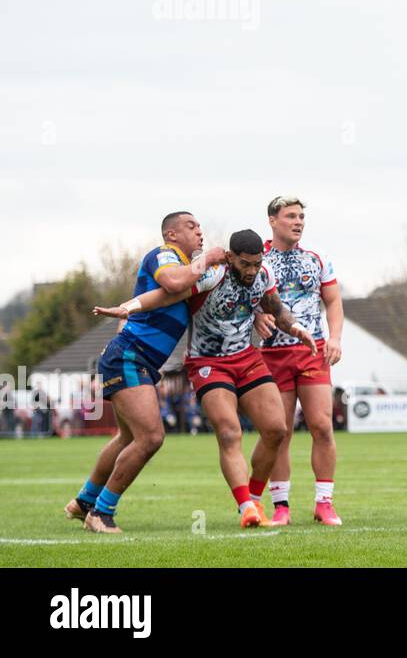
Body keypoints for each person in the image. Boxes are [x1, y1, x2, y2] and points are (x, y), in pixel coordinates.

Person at [94, 229, 317, 528]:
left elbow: (275, 308)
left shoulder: (263, 275)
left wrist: (297, 329)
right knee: (229, 432)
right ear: (231, 257)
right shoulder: (213, 274)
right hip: (208, 362)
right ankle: (246, 508)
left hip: (247, 359)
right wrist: (128, 308)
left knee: (277, 429)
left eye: (256, 263)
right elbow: (165, 295)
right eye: (245, 264)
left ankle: (253, 499)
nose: (251, 271)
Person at [67, 211, 225, 533]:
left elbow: (144, 302)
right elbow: (172, 281)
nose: (200, 232)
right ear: (171, 234)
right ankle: (100, 513)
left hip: (134, 359)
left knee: (127, 437)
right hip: (130, 356)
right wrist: (208, 258)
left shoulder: (190, 273)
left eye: (200, 228)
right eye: (191, 227)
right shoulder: (164, 256)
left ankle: (84, 501)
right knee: (151, 437)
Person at [252, 195, 345, 527]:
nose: (298, 222)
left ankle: (324, 503)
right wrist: (255, 320)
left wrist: (334, 338)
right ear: (273, 220)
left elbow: (333, 302)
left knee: (322, 425)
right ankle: (281, 505)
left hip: (312, 351)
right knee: (281, 431)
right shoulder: (256, 261)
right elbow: (241, 303)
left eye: (302, 216)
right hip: (272, 355)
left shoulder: (316, 260)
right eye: (291, 216)